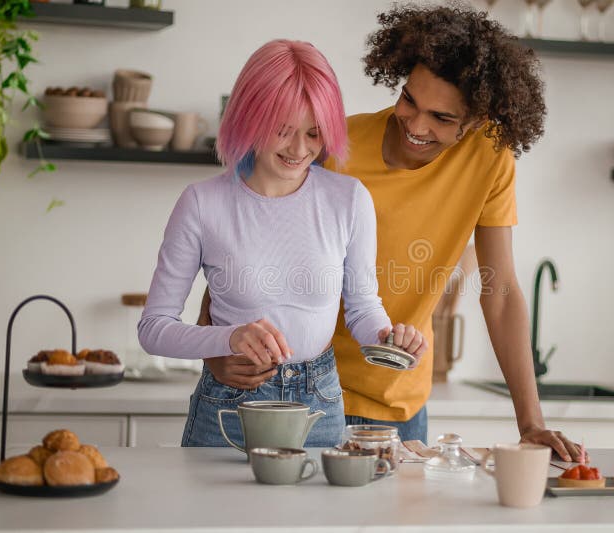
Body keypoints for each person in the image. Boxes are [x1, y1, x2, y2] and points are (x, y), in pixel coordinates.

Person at [198, 5, 584, 461]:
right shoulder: (334, 148)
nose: (417, 126)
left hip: (397, 403)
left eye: (442, 118)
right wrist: (213, 350)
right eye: (409, 100)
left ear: (479, 119)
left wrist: (530, 423)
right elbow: (240, 253)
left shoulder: (491, 160)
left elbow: (499, 292)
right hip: (301, 391)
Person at [138, 39, 427, 448]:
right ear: (249, 117)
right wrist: (227, 339)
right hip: (229, 407)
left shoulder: (348, 198)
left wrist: (389, 340)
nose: (299, 150)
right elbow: (154, 328)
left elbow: (363, 308)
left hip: (320, 404)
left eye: (314, 133)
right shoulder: (202, 203)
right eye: (283, 131)